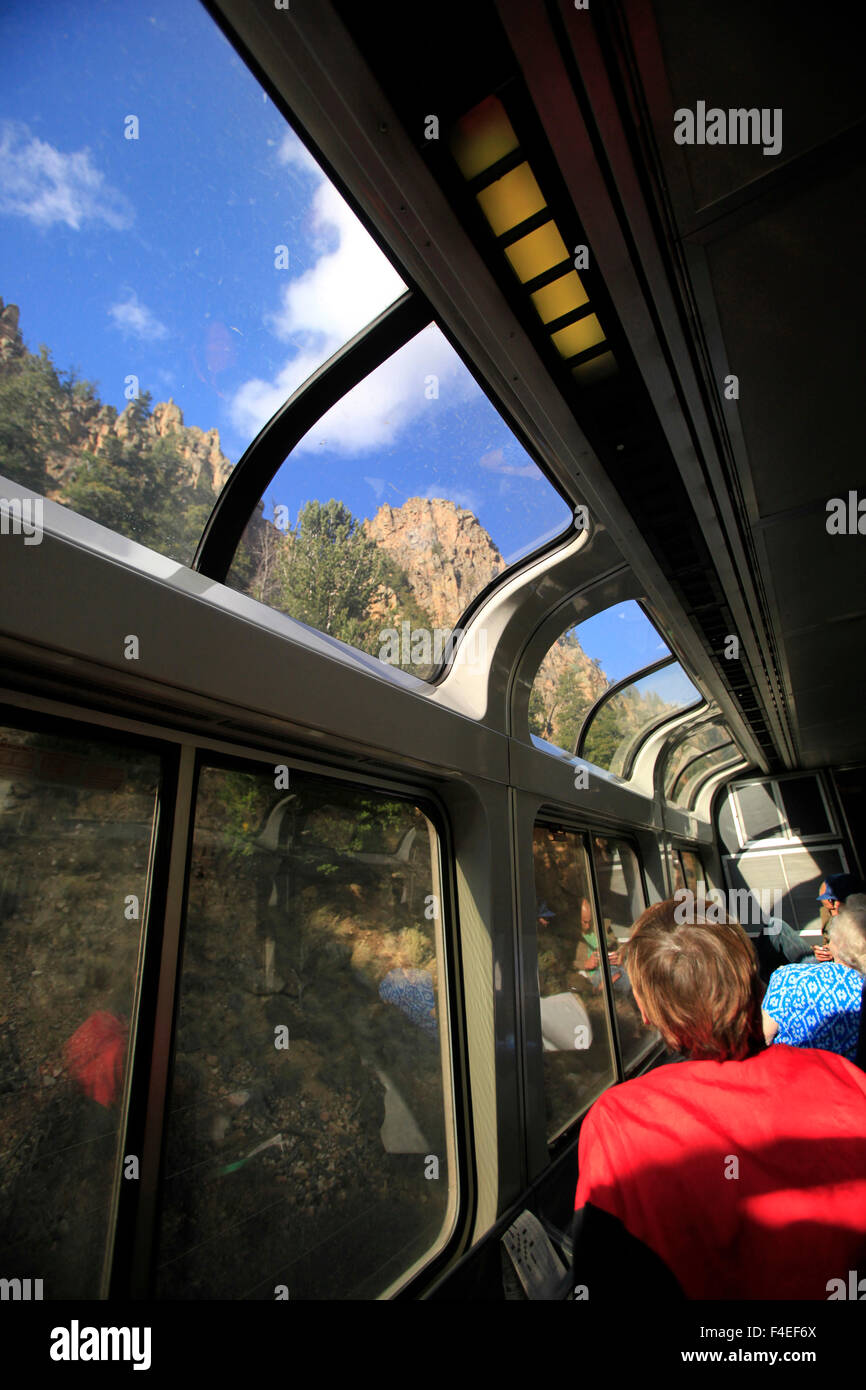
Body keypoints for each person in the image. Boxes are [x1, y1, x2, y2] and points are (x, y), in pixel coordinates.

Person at [571, 899, 866, 1300]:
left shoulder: (617, 1123)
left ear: (646, 1011)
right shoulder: (847, 1080)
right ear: (751, 972)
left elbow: (602, 1278)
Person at [762, 896, 866, 1061]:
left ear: (839, 941)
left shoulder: (789, 978)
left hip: (793, 1075)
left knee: (775, 926)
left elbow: (764, 1037)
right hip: (852, 1080)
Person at [813, 872, 866, 960]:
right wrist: (823, 951)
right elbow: (827, 940)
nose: (834, 914)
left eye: (833, 909)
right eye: (829, 910)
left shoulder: (861, 921)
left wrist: (838, 953)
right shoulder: (829, 915)